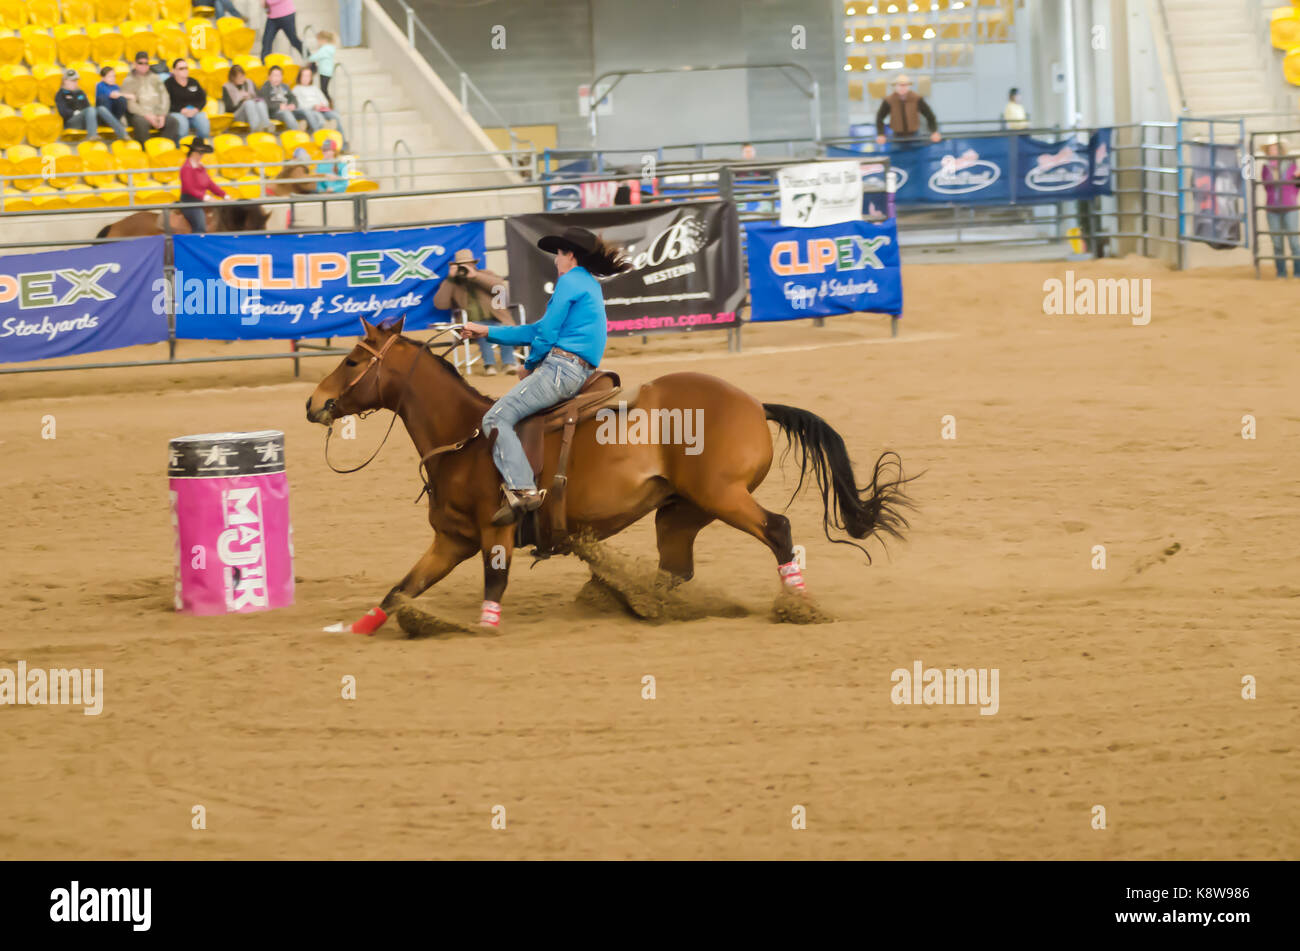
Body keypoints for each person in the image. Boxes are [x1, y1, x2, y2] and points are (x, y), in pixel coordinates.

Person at [456, 226, 630, 525]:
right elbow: (537, 330)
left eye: (559, 254)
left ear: (570, 255)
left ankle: (524, 490)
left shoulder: (569, 281)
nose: (555, 260)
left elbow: (546, 334)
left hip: (561, 369)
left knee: (495, 419)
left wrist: (530, 364)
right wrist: (486, 331)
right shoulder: (586, 283)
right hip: (576, 368)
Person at [435, 248, 518, 377]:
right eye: (460, 266)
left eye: (468, 264)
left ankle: (509, 363)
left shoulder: (486, 274)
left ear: (474, 264)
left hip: (496, 320)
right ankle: (489, 365)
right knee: (481, 331)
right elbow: (440, 304)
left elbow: (500, 287)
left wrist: (475, 276)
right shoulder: (453, 284)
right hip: (470, 323)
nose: (464, 268)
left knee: (504, 330)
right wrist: (450, 279)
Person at [1259, 134, 1299, 278]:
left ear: (1281, 149)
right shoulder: (1266, 167)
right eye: (1271, 148)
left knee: (1294, 242)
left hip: (1289, 207)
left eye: (1275, 148)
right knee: (1277, 243)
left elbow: (1297, 183)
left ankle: (1297, 273)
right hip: (1272, 208)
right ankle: (1281, 273)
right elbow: (1266, 186)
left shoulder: (1291, 163)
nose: (1273, 150)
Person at [122, 50, 180, 144]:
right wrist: (147, 115)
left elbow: (164, 96)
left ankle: (163, 147)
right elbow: (130, 105)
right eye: (140, 63)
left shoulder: (155, 78)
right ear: (135, 64)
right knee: (141, 123)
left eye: (146, 63)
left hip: (157, 112)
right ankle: (145, 149)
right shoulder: (128, 80)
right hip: (140, 114)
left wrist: (162, 114)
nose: (144, 66)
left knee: (173, 122)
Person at [56, 69, 126, 141]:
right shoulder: (60, 94)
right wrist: (76, 113)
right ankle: (92, 135)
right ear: (65, 81)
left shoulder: (80, 92)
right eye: (72, 81)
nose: (75, 83)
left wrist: (88, 113)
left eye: (76, 80)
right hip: (72, 122)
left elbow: (87, 106)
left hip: (85, 119)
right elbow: (63, 111)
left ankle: (123, 134)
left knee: (101, 108)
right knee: (90, 109)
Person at [178, 137, 228, 233]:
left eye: (202, 153)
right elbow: (189, 188)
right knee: (200, 225)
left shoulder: (200, 167)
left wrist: (224, 195)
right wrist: (206, 197)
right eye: (200, 152)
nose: (201, 155)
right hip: (190, 202)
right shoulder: (186, 168)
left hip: (200, 200)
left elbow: (209, 183)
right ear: (194, 152)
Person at [874, 74, 940, 145]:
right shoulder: (888, 100)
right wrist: (880, 134)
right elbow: (880, 117)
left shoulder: (917, 99)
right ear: (895, 86)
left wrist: (934, 131)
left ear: (909, 86)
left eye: (905, 85)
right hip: (897, 137)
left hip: (915, 135)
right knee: (897, 155)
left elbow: (929, 115)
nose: (902, 87)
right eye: (899, 85)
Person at [292, 65, 346, 145]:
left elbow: (325, 101)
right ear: (300, 76)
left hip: (321, 110)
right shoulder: (296, 89)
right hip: (310, 111)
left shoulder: (314, 88)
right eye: (304, 76)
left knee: (336, 115)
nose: (306, 78)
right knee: (320, 120)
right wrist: (313, 106)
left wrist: (321, 105)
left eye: (308, 76)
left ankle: (343, 144)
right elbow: (300, 105)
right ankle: (320, 141)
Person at [165, 59, 210, 140]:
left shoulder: (193, 82)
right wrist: (181, 110)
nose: (185, 70)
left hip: (194, 111)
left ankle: (199, 148)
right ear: (174, 71)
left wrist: (196, 109)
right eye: (181, 68)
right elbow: (165, 103)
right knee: (183, 128)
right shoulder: (168, 84)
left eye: (186, 68)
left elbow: (202, 99)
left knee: (205, 129)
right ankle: (181, 149)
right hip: (176, 112)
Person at [222, 64, 274, 133]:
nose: (242, 79)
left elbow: (260, 97)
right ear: (232, 78)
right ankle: (255, 129)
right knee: (248, 103)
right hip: (237, 115)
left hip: (252, 112)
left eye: (243, 76)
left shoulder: (249, 82)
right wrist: (241, 100)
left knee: (260, 102)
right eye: (239, 77)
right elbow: (229, 109)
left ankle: (267, 125)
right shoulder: (227, 87)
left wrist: (251, 97)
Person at [94, 66, 131, 132]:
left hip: (114, 115)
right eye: (109, 76)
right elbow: (113, 95)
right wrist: (128, 95)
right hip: (102, 117)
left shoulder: (115, 86)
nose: (112, 78)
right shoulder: (100, 85)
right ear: (103, 78)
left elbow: (119, 96)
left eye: (113, 76)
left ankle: (115, 121)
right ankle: (109, 122)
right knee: (104, 98)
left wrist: (123, 95)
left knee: (122, 100)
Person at [308, 29, 337, 105]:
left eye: (318, 40)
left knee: (323, 90)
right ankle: (327, 103)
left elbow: (316, 56)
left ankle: (329, 103)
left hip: (325, 72)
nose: (318, 42)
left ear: (323, 40)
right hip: (326, 71)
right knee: (323, 89)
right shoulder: (329, 48)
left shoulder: (325, 49)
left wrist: (309, 58)